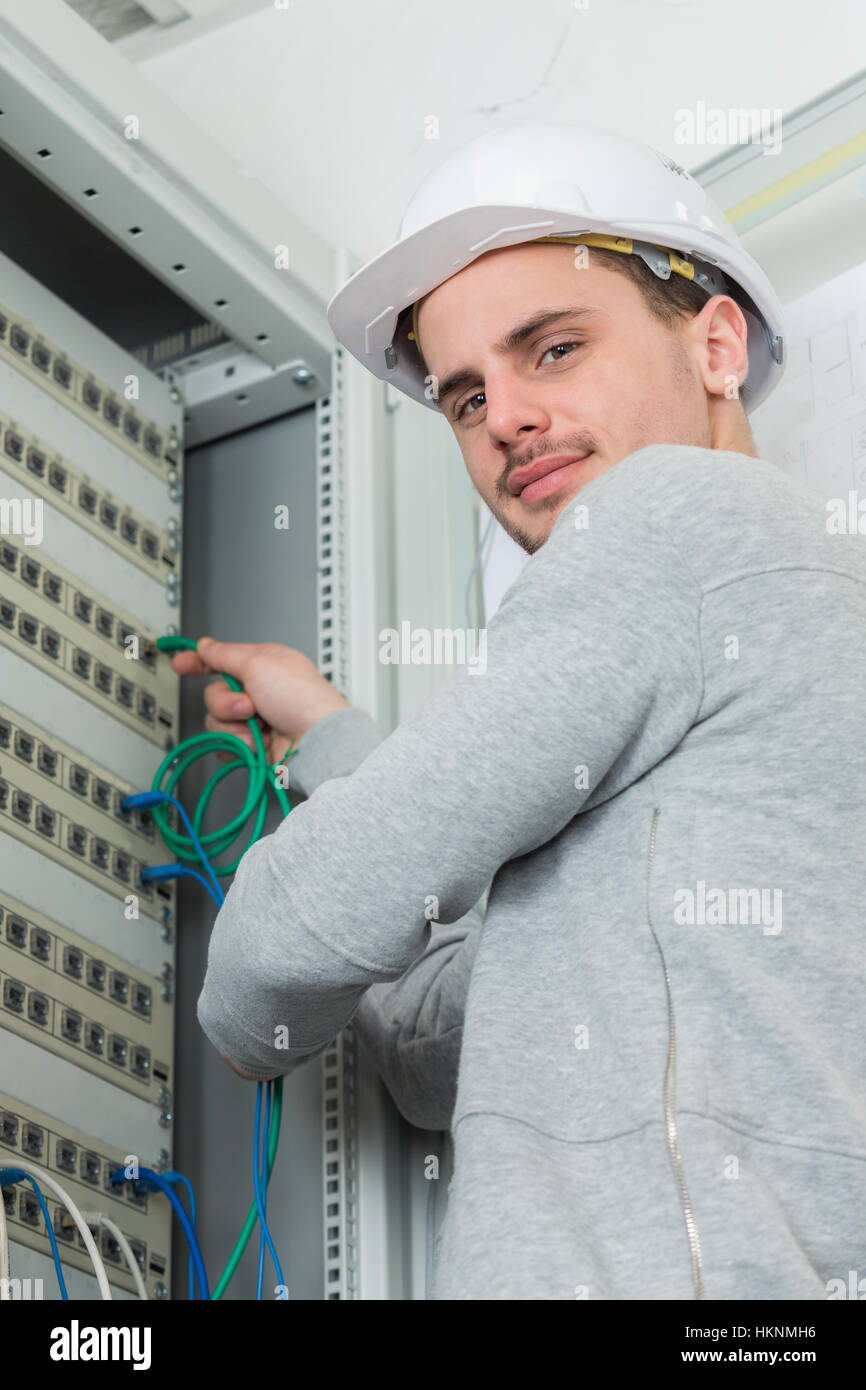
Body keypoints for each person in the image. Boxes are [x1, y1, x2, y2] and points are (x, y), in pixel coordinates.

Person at [176, 126, 866, 1299]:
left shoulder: (678, 517)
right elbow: (438, 1047)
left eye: (552, 348)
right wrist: (337, 743)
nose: (503, 416)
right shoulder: (775, 646)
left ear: (714, 344)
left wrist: (249, 997)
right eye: (464, 397)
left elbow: (271, 960)